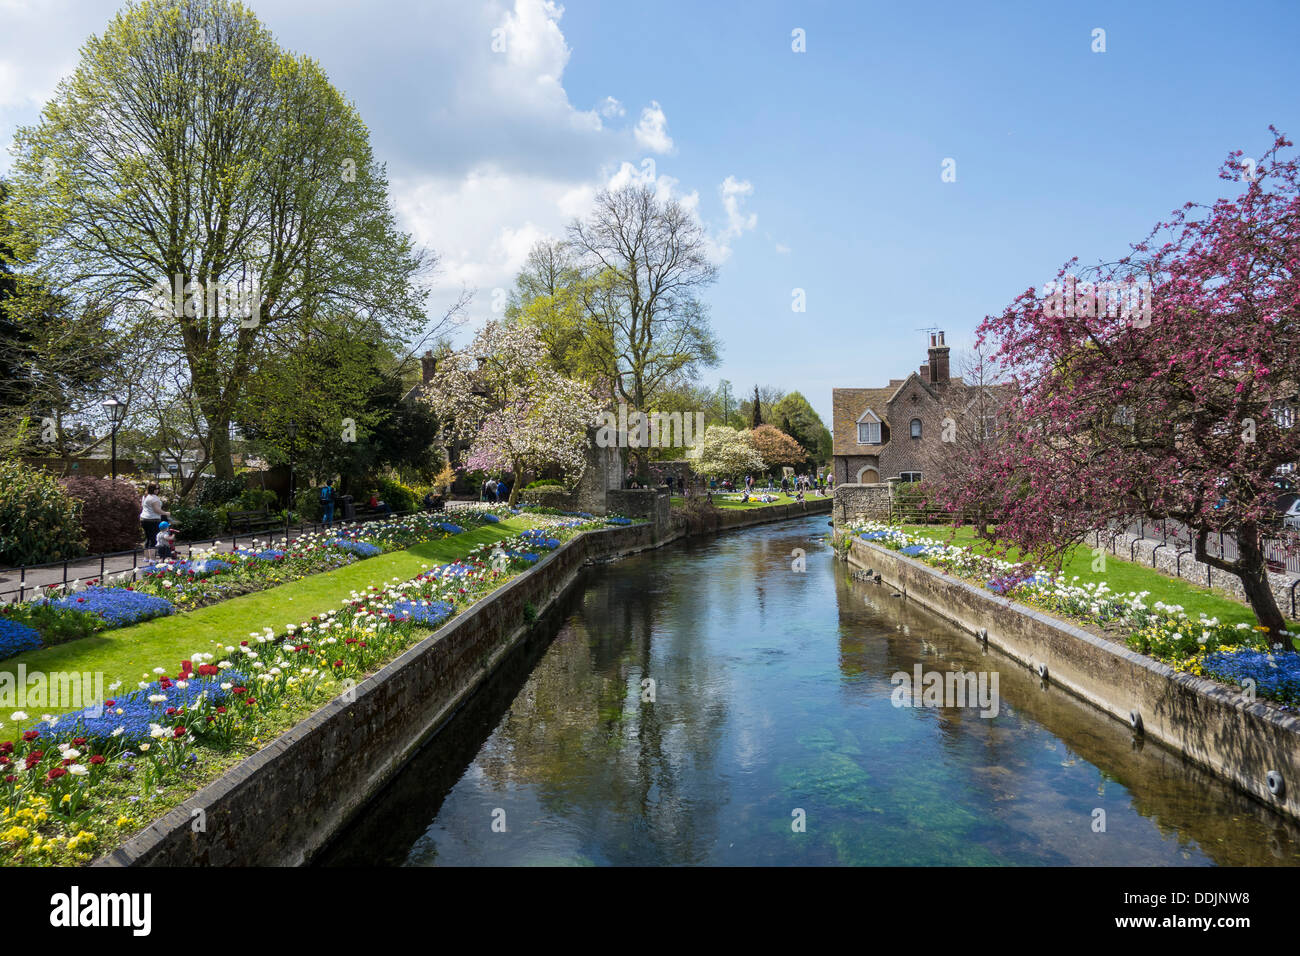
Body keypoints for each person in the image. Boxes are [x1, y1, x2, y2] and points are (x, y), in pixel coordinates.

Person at [140, 482, 169, 550]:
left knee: (148, 538)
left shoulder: (145, 496)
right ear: (150, 489)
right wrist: (166, 513)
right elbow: (157, 510)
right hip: (152, 520)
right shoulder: (153, 498)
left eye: (158, 488)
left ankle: (146, 557)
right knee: (153, 539)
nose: (157, 490)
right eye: (155, 488)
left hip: (144, 520)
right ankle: (152, 558)